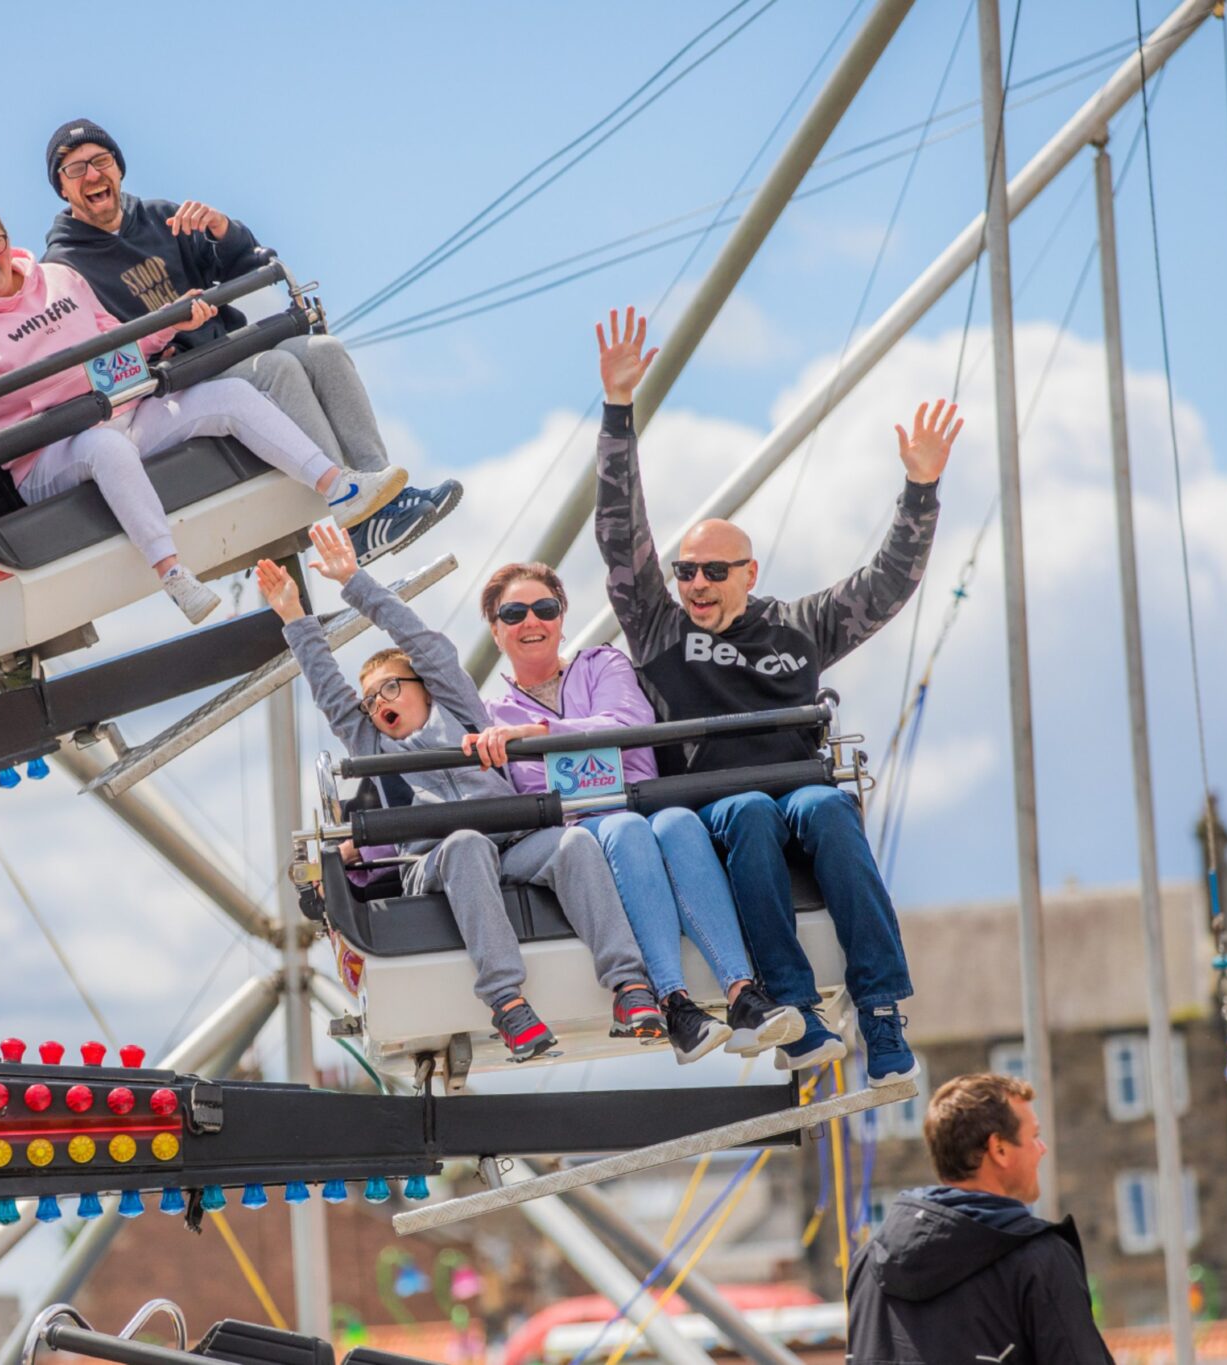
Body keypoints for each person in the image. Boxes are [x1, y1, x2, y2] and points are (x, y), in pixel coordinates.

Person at [590, 307, 958, 1078]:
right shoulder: (658, 626)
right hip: (716, 802)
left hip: (798, 792)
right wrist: (618, 411)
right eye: (687, 570)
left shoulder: (797, 627)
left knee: (828, 806)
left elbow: (886, 584)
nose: (694, 583)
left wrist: (919, 491)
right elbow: (622, 533)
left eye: (712, 571)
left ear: (747, 575)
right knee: (752, 813)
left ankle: (882, 1009)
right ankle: (796, 1010)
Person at [259, 521, 663, 1062]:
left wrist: (355, 581)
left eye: (391, 688)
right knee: (468, 843)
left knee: (573, 845)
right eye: (370, 699)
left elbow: (423, 644)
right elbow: (329, 690)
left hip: (515, 843)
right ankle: (507, 1001)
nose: (378, 702)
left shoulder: (465, 713)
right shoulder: (374, 743)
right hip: (436, 858)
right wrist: (294, 620)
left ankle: (629, 985)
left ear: (426, 688)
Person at [0, 205, 408, 626]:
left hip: (122, 411)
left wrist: (167, 324)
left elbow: (114, 343)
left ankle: (338, 487)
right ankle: (173, 573)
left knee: (231, 395)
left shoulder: (60, 280)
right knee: (106, 448)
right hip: (49, 453)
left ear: (8, 242)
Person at [41, 118, 462, 565]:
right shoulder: (64, 268)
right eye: (75, 169)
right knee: (279, 369)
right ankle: (354, 516)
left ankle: (382, 492)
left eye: (100, 161)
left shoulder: (162, 217)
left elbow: (243, 268)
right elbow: (93, 362)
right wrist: (166, 330)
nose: (92, 175)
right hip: (178, 381)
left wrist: (222, 229)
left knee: (323, 350)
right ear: (62, 188)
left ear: (119, 168)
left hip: (228, 348)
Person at [469, 559, 803, 1064]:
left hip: (645, 808)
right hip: (591, 831)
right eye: (514, 613)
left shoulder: (603, 663)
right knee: (626, 829)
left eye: (544, 608)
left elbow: (626, 722)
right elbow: (544, 780)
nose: (531, 621)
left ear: (561, 616)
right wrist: (593, 746)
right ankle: (675, 1002)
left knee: (679, 821)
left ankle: (742, 993)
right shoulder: (491, 716)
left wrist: (539, 737)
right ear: (495, 631)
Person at [848, 1073, 1111, 1365]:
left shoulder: (866, 1265)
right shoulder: (1039, 1259)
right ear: (998, 1148)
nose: (1042, 1148)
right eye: (1034, 1137)